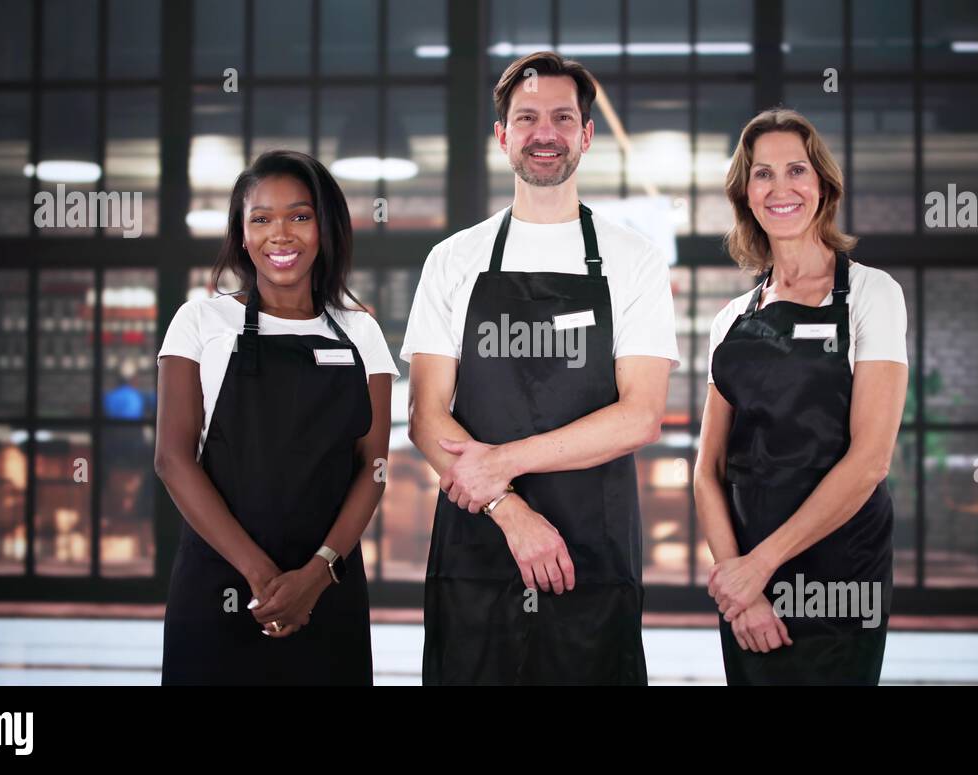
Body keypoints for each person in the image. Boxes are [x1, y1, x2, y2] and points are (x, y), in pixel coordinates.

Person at [401, 51, 680, 685]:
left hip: (592, 550)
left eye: (562, 117)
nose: (544, 133)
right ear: (502, 137)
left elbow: (641, 416)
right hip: (479, 544)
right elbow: (426, 416)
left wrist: (503, 461)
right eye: (526, 118)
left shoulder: (632, 260)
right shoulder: (453, 259)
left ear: (586, 134)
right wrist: (509, 509)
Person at [154, 150, 397, 685]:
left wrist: (316, 574)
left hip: (328, 584)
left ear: (324, 227)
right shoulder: (201, 321)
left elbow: (373, 468)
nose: (279, 234)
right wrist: (264, 578)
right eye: (260, 218)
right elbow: (173, 460)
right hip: (221, 582)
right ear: (242, 235)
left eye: (299, 216)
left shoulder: (360, 334)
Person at [694, 108, 908, 685]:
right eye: (763, 174)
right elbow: (708, 471)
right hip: (747, 563)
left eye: (796, 170)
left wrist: (759, 567)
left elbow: (870, 461)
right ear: (746, 192)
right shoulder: (732, 319)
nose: (780, 187)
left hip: (841, 564)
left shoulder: (871, 295)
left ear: (823, 186)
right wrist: (741, 588)